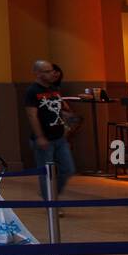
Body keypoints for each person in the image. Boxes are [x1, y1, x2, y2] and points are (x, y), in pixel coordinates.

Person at [25, 59, 77, 200]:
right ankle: (51, 201)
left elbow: (61, 109)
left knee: (68, 169)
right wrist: (40, 136)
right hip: (44, 138)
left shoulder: (54, 89)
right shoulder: (32, 91)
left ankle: (50, 194)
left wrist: (68, 122)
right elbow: (32, 115)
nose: (52, 74)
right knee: (46, 173)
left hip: (59, 137)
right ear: (38, 73)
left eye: (52, 71)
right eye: (47, 72)